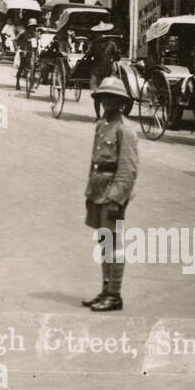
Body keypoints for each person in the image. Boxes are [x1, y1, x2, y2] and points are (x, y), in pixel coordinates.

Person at [81, 76, 140, 313]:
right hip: (98, 189)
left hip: (113, 193)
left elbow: (128, 169)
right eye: (104, 97)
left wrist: (116, 199)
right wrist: (89, 191)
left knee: (113, 245)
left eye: (112, 98)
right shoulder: (102, 125)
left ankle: (114, 295)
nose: (107, 102)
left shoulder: (125, 131)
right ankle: (105, 290)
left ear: (120, 102)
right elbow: (94, 161)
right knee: (104, 244)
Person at [86, 23, 120, 119]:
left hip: (101, 71)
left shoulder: (97, 44)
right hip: (103, 71)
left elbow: (88, 57)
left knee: (101, 94)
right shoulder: (111, 44)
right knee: (101, 94)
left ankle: (100, 116)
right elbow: (118, 58)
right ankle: (100, 116)